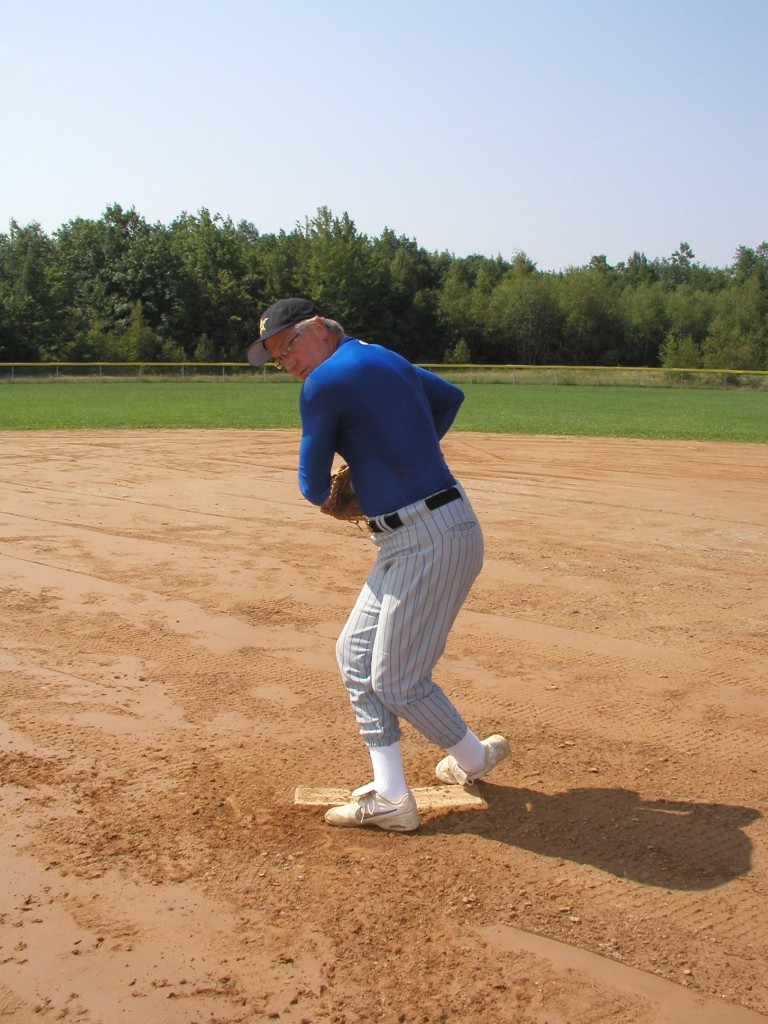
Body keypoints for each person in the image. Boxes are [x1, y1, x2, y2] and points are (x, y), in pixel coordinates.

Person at [247, 298, 509, 832]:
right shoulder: (381, 356)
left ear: (319, 328)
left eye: (289, 346)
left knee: (398, 679)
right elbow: (449, 397)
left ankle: (467, 761)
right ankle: (403, 787)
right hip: (423, 532)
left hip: (430, 538)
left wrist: (364, 471)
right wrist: (400, 452)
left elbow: (312, 485)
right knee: (355, 653)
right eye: (277, 359)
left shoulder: (322, 384)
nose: (288, 363)